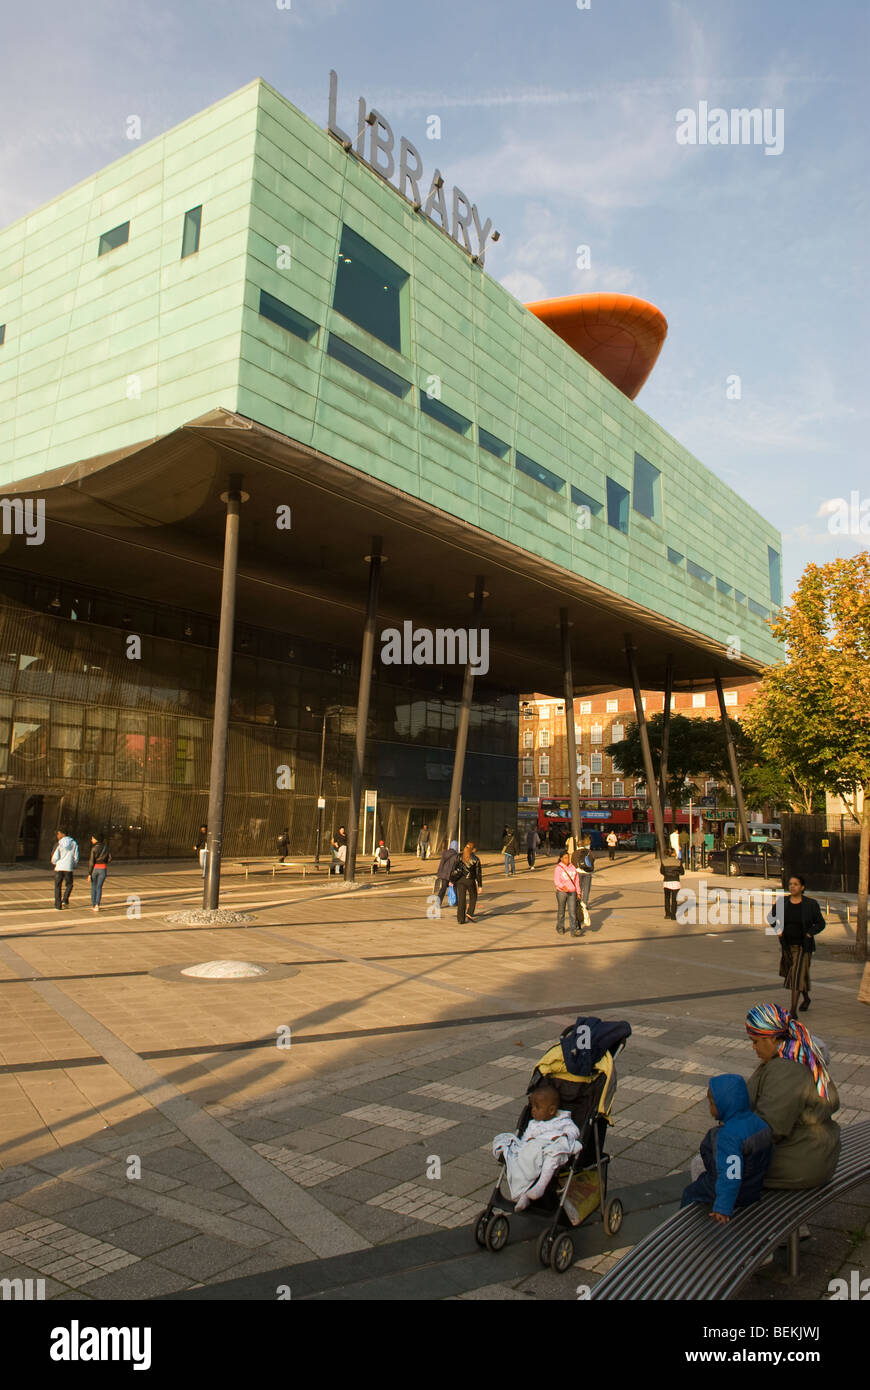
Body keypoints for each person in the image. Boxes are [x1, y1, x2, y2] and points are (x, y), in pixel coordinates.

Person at [744, 1003, 840, 1189]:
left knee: (706, 1164)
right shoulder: (798, 1054)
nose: (753, 1047)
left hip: (800, 1162)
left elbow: (769, 1129)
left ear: (772, 1039)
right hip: (814, 1152)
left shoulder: (786, 1069)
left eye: (755, 1041)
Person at [680, 1075, 773, 1222]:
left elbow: (731, 1175)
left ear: (725, 1104)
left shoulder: (728, 1136)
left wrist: (723, 1207)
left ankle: (684, 1228)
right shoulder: (758, 1122)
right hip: (754, 1186)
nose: (710, 1107)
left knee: (690, 1193)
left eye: (712, 1103)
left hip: (738, 1193)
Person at [492, 1081, 581, 1212]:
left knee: (555, 1153)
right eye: (532, 1106)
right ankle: (523, 1195)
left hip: (551, 1148)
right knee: (516, 1154)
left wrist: (563, 1136)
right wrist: (528, 1141)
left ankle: (540, 1186)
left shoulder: (562, 1121)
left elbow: (574, 1131)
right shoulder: (533, 1124)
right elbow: (526, 1138)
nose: (533, 1110)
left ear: (551, 1110)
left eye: (537, 1107)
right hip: (534, 1151)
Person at [766, 874, 825, 1013]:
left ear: (802, 887)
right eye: (791, 884)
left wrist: (809, 934)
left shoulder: (811, 904)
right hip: (787, 944)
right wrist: (779, 932)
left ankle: (792, 1011)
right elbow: (770, 917)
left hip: (803, 946)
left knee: (797, 975)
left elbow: (821, 923)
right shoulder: (783, 902)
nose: (792, 886)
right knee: (794, 974)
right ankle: (806, 998)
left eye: (796, 884)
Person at [450, 842, 482, 924]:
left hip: (460, 880)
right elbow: (478, 873)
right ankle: (469, 913)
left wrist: (452, 880)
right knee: (473, 896)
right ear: (473, 850)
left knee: (461, 900)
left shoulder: (459, 856)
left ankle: (461, 919)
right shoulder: (476, 859)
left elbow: (454, 869)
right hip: (470, 880)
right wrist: (480, 885)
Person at [553, 850, 583, 937]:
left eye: (568, 857)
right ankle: (560, 927)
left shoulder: (572, 867)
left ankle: (573, 930)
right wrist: (562, 886)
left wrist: (578, 892)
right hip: (562, 893)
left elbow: (576, 881)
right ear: (561, 859)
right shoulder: (558, 868)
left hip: (572, 892)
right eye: (565, 858)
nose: (567, 859)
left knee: (572, 911)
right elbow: (556, 881)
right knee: (561, 911)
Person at [52, 829, 79, 909]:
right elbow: (76, 857)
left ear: (61, 834)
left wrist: (55, 862)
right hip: (68, 868)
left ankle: (58, 905)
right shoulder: (74, 843)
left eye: (58, 834)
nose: (57, 836)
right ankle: (65, 899)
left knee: (57, 886)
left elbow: (55, 857)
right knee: (69, 884)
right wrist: (73, 864)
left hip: (59, 867)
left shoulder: (59, 844)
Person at [87, 833, 111, 913]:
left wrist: (89, 873)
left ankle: (93, 905)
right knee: (99, 887)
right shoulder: (105, 847)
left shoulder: (93, 848)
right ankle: (97, 905)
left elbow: (91, 862)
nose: (91, 840)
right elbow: (110, 858)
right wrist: (104, 861)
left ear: (96, 839)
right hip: (103, 868)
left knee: (93, 887)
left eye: (93, 838)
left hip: (95, 869)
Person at [434, 839, 459, 904]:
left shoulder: (445, 853)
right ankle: (455, 901)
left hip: (444, 874)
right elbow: (455, 866)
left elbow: (441, 864)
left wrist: (439, 873)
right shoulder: (456, 855)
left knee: (443, 888)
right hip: (451, 875)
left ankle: (438, 902)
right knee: (454, 887)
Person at [660, 853, 684, 920]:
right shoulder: (678, 862)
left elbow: (662, 871)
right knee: (674, 899)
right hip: (675, 881)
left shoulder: (664, 861)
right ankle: (673, 915)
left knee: (667, 898)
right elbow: (682, 872)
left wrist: (666, 874)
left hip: (667, 881)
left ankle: (667, 914)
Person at [577, 842, 594, 913]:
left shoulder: (575, 853)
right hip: (587, 872)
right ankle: (585, 903)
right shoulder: (588, 852)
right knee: (586, 888)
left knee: (579, 887)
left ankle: (578, 903)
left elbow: (573, 862)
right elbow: (593, 859)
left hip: (578, 872)